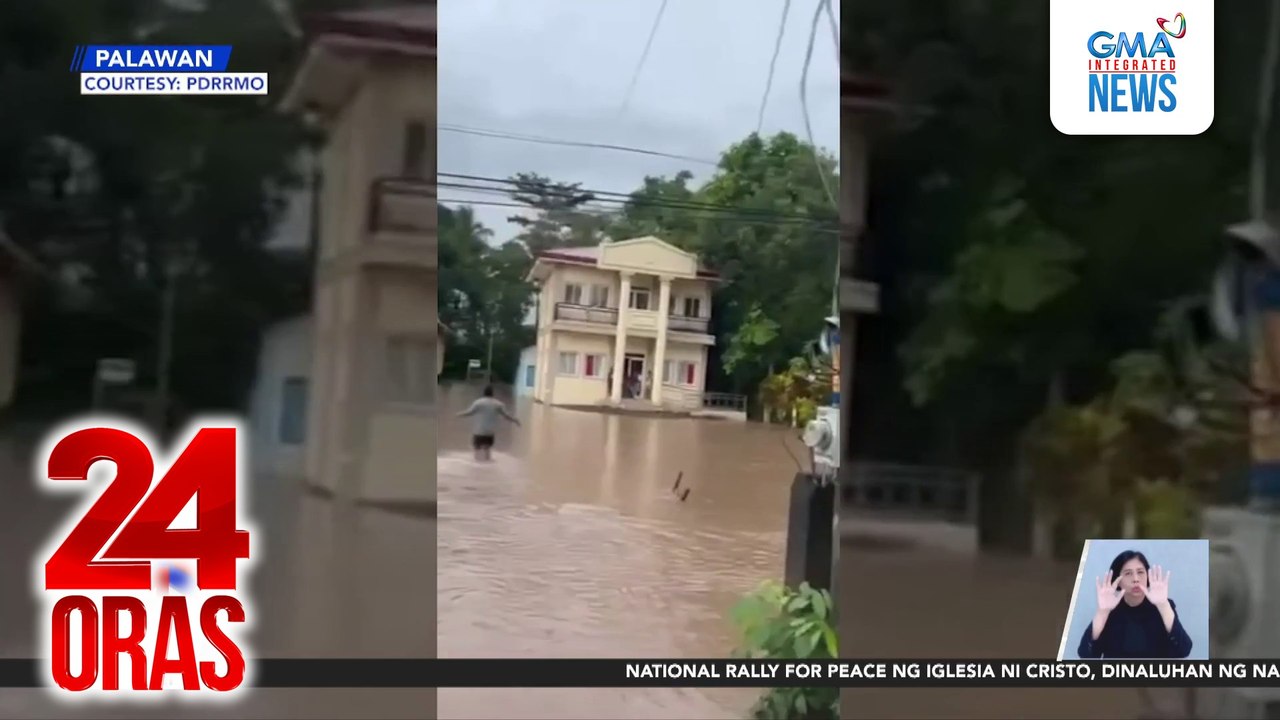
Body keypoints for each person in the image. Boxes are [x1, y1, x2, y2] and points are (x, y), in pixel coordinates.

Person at [1077, 549, 1193, 659]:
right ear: (1118, 580)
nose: (1136, 579)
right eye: (1128, 574)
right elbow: (1086, 655)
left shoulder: (1164, 606)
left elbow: (1183, 650)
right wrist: (1102, 612)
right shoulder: (1110, 609)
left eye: (1141, 572)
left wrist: (1163, 605)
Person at [456, 385, 520, 461]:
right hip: (490, 432)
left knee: (476, 450)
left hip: (479, 431)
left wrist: (458, 415)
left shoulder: (478, 402)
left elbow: (469, 413)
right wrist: (515, 420)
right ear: (492, 394)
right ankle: (487, 462)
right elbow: (506, 416)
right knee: (487, 450)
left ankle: (476, 464)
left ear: (484, 393)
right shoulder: (498, 404)